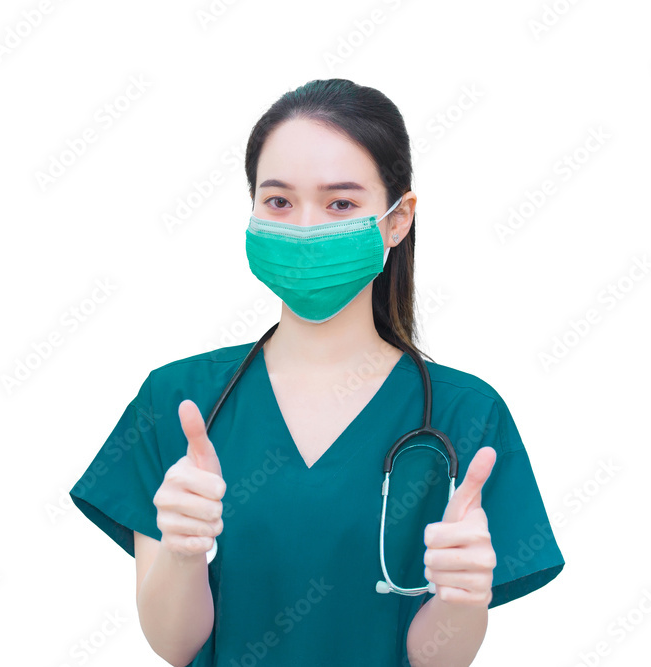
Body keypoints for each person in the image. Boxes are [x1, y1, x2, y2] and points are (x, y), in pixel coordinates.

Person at [69, 78, 565, 667]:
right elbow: (175, 647)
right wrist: (180, 551)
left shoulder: (467, 414)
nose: (305, 229)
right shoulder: (180, 401)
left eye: (341, 203)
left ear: (398, 219)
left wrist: (463, 597)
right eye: (279, 201)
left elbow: (437, 660)